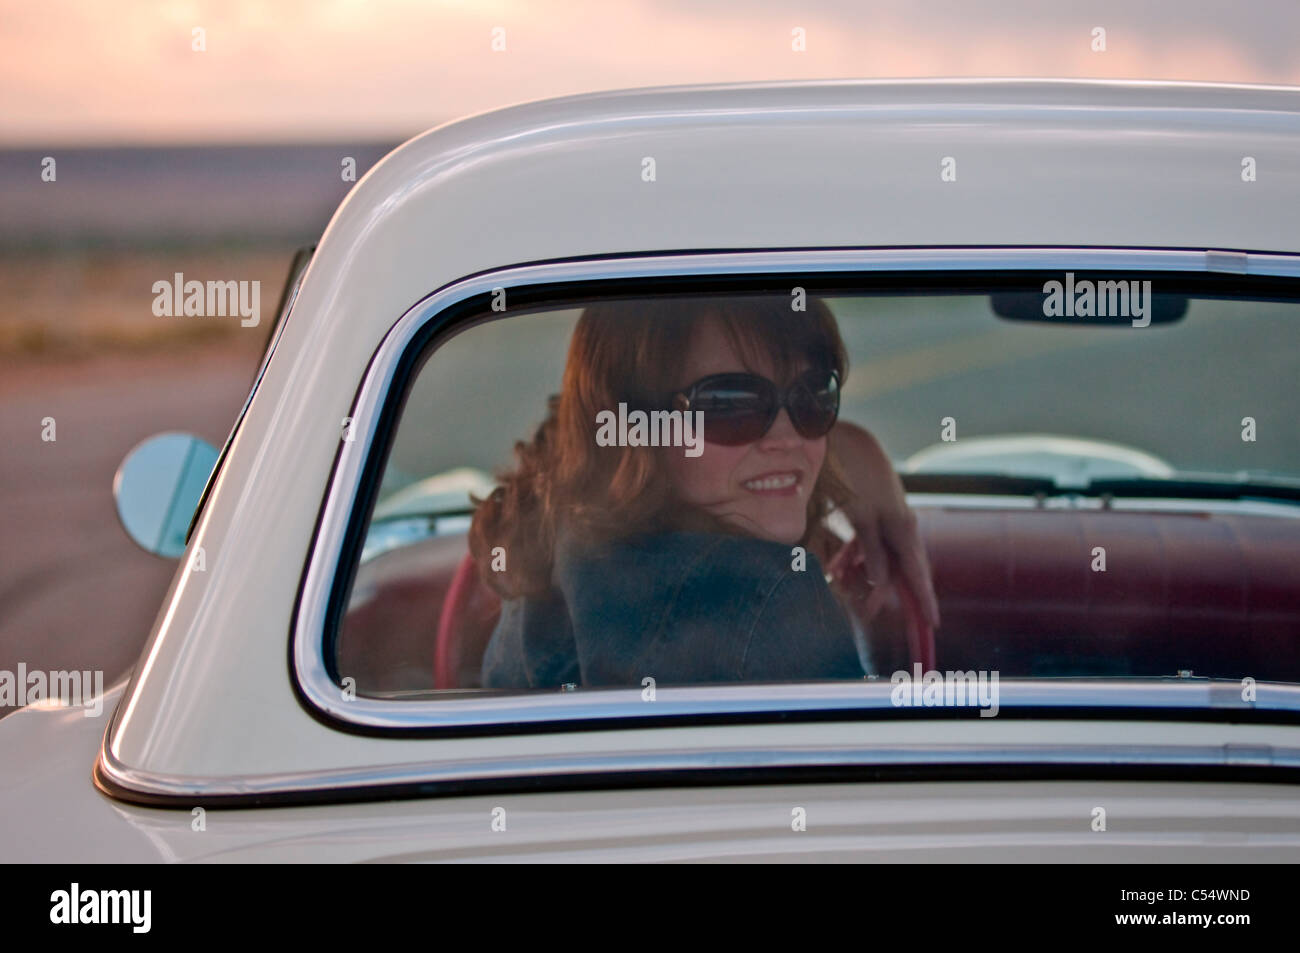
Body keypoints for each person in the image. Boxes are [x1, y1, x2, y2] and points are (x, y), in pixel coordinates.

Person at [469, 294, 940, 689]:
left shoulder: (549, 537)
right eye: (728, 404)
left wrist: (854, 449)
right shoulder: (769, 601)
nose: (788, 438)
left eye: (813, 397)